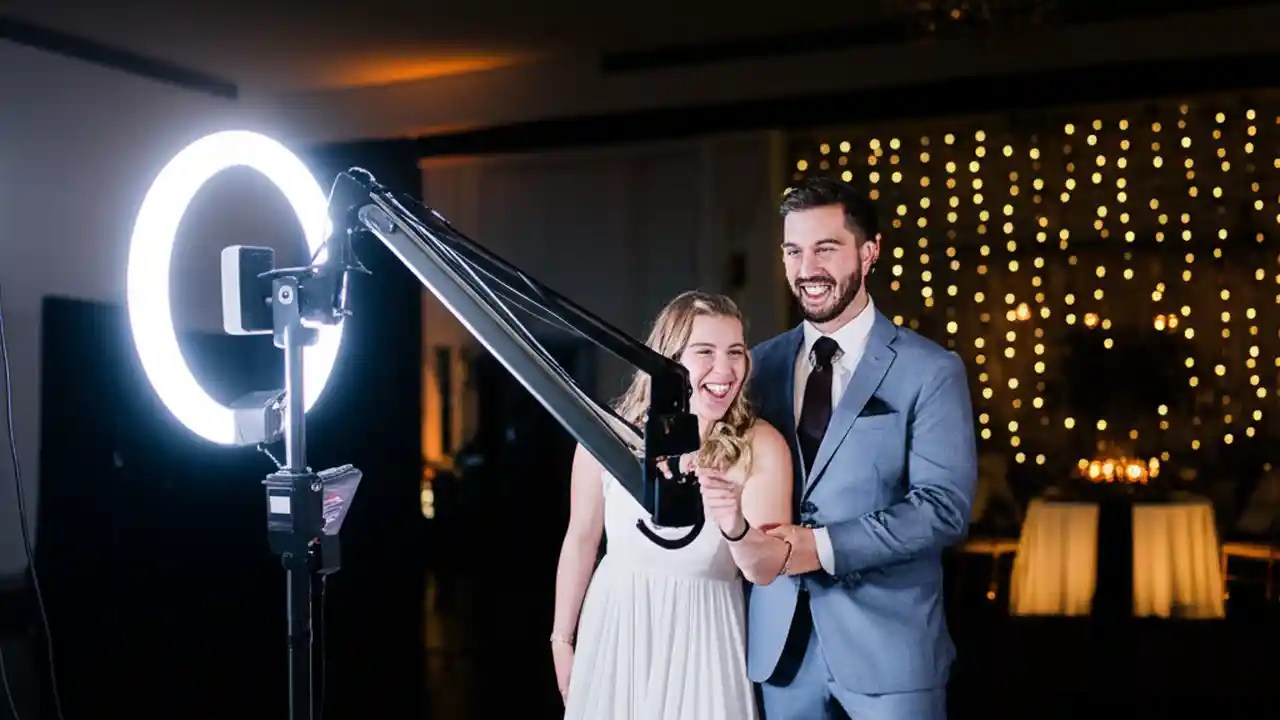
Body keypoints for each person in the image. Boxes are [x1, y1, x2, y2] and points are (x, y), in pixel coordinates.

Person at [746, 176, 978, 719]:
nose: (807, 269)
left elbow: (943, 510)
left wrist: (820, 547)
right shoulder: (760, 367)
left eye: (825, 248)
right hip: (781, 653)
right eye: (793, 251)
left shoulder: (931, 370)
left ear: (868, 252)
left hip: (891, 654)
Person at [550, 291, 798, 719]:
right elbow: (581, 538)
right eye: (705, 351)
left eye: (736, 352)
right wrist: (561, 640)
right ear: (668, 359)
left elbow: (766, 568)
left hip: (707, 641)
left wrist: (735, 524)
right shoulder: (609, 436)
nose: (725, 369)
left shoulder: (760, 446)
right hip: (615, 634)